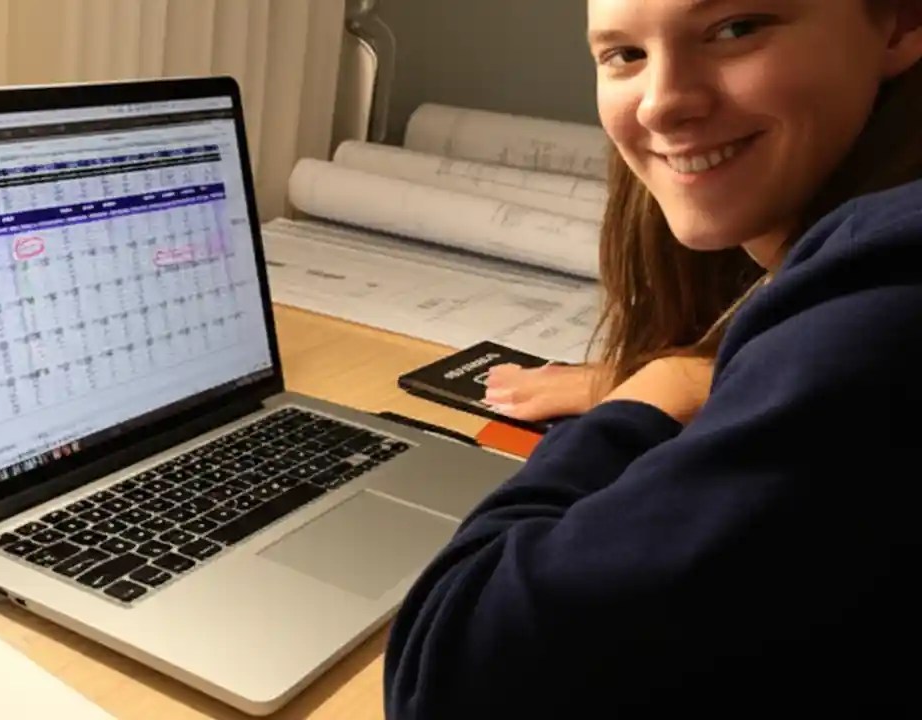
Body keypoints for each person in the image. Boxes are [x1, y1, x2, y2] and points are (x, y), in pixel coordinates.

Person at [383, 0, 922, 716]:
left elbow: (450, 677)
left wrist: (642, 401)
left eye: (737, 29)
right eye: (624, 56)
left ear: (900, 23)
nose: (664, 105)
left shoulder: (886, 301)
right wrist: (726, 372)